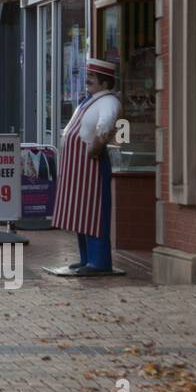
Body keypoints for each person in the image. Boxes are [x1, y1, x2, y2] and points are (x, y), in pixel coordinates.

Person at [51, 58, 124, 275]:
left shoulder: (108, 102)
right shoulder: (89, 100)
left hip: (91, 167)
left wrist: (94, 148)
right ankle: (86, 259)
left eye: (92, 78)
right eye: (89, 77)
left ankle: (99, 262)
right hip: (77, 169)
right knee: (80, 215)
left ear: (104, 82)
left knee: (95, 214)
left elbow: (106, 125)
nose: (87, 81)